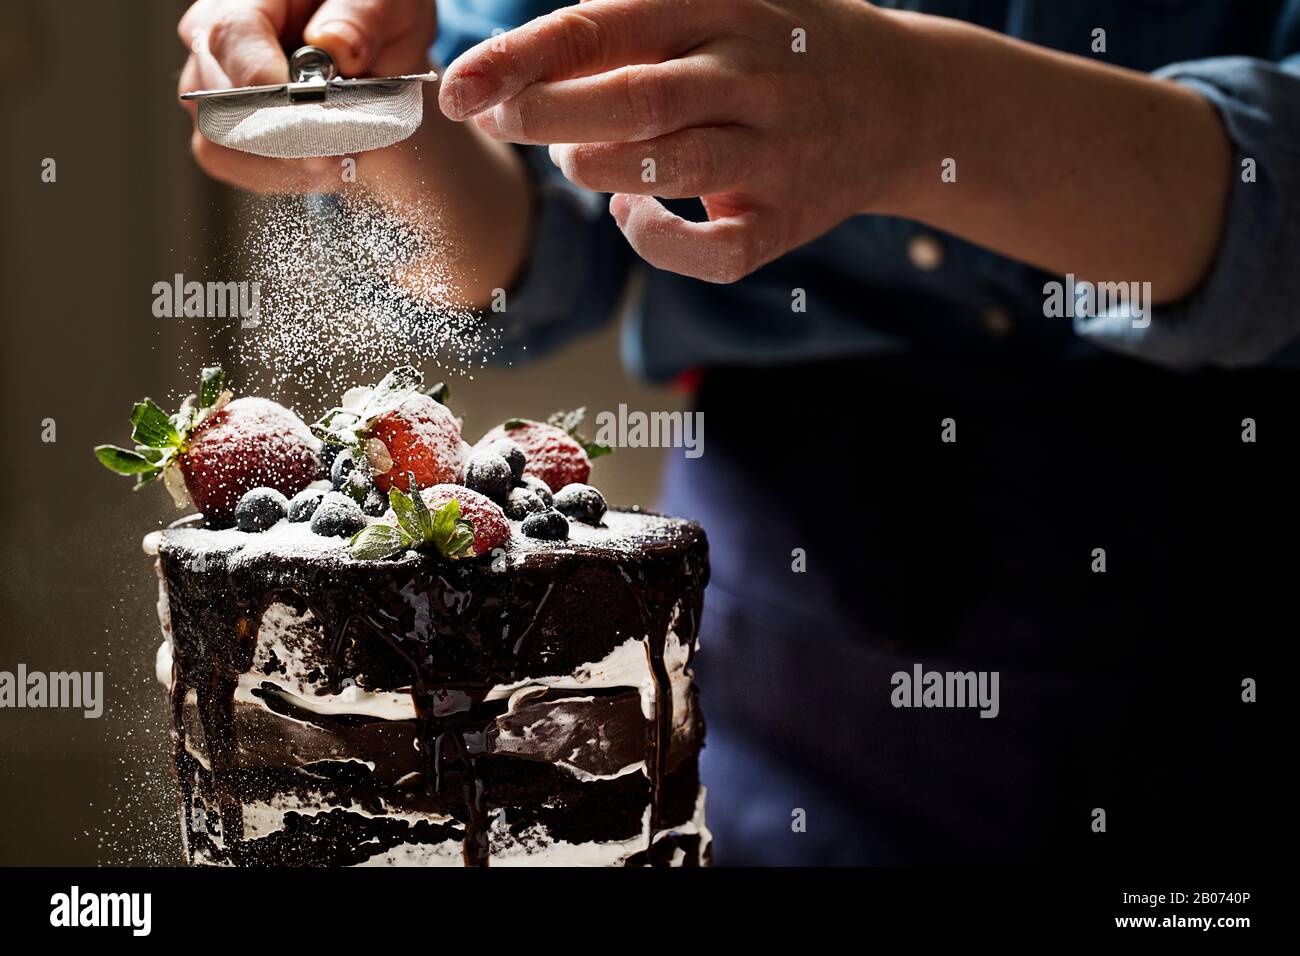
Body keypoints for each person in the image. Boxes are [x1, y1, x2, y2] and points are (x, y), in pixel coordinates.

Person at [176, 0, 1296, 864]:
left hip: (1218, 590)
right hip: (776, 623)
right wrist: (369, 121)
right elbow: (528, 242)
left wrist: (924, 109)